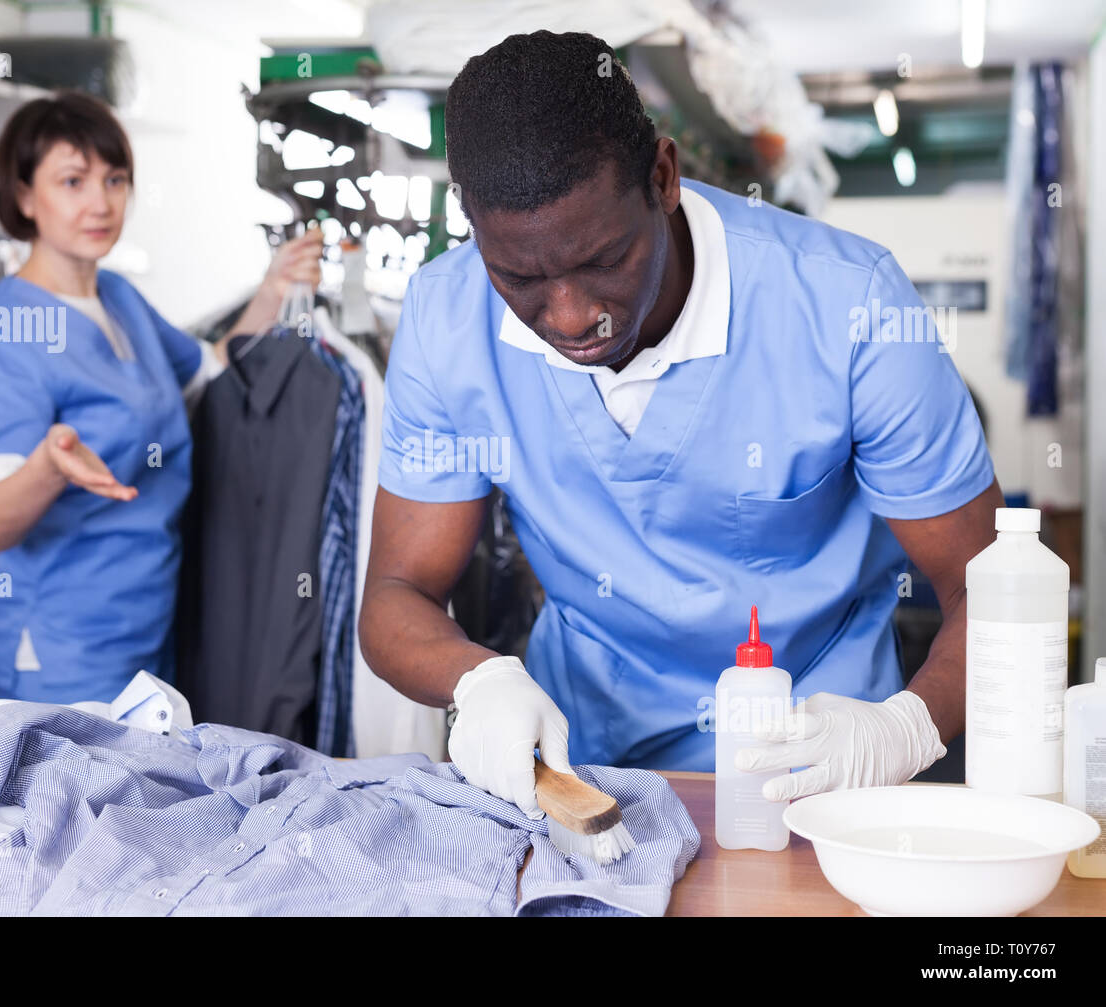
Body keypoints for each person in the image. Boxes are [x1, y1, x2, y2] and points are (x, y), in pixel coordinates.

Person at [358, 32, 1002, 820]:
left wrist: (907, 726)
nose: (569, 315)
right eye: (519, 276)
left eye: (604, 259)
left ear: (662, 177)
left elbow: (996, 586)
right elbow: (395, 595)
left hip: (821, 767)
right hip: (584, 774)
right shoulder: (444, 318)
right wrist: (476, 675)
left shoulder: (849, 304)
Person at [0, 90, 321, 703]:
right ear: (23, 197)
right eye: (73, 181)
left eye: (115, 179)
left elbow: (213, 369)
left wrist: (273, 289)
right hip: (62, 645)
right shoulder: (0, 334)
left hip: (149, 624)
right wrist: (48, 466)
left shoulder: (119, 298)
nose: (101, 202)